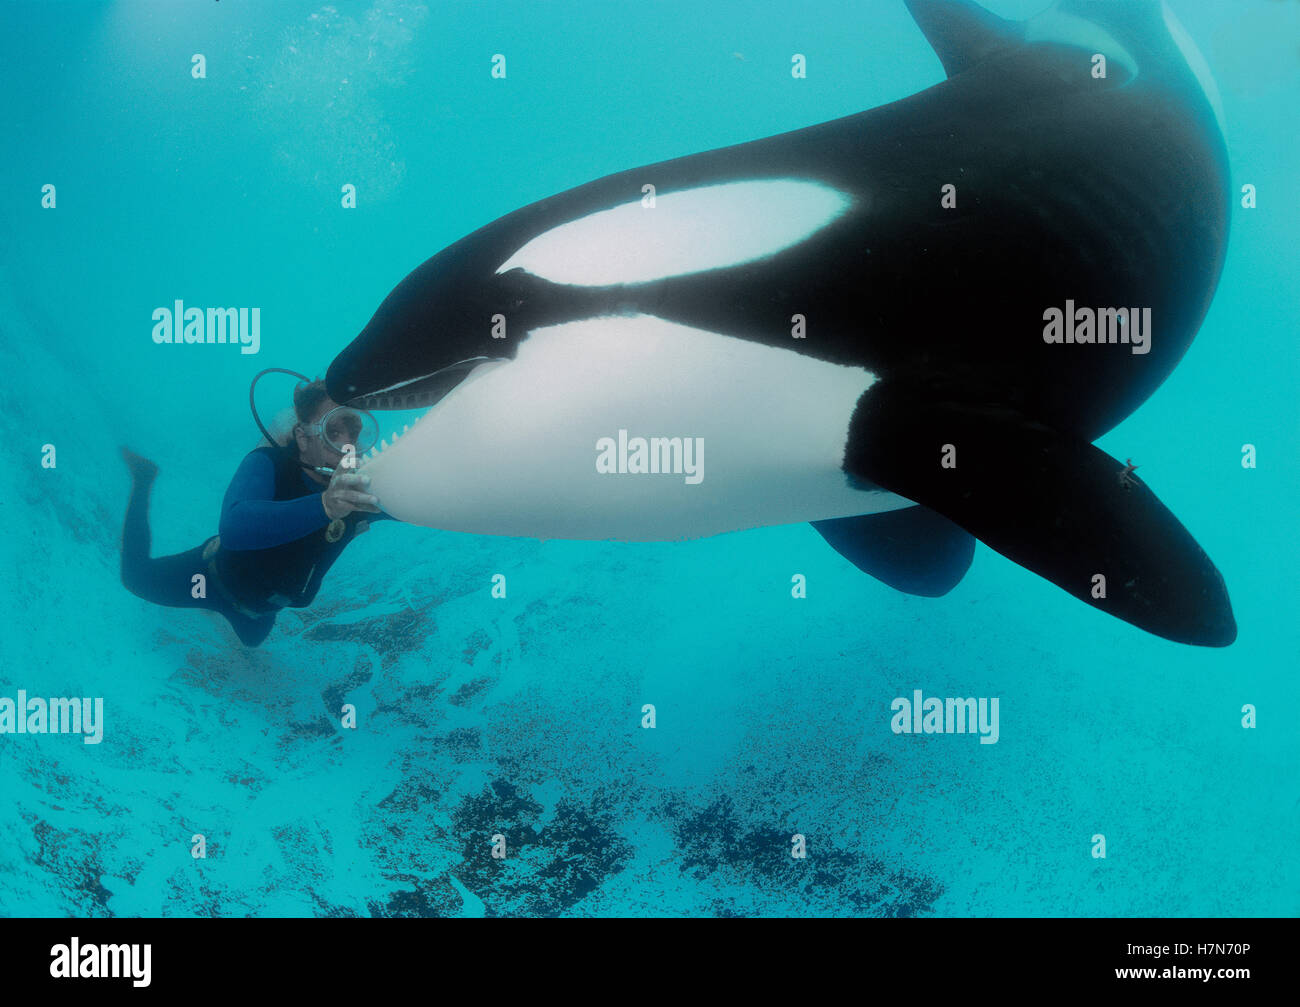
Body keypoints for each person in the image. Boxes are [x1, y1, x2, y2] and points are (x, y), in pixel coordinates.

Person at [120, 379, 390, 646]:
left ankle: (236, 617)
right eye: (333, 432)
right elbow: (235, 529)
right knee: (135, 578)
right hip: (209, 581)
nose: (347, 449)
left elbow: (419, 504)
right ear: (303, 437)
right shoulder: (268, 464)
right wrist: (325, 506)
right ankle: (144, 478)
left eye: (354, 437)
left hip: (261, 613)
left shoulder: (359, 493)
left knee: (251, 642)